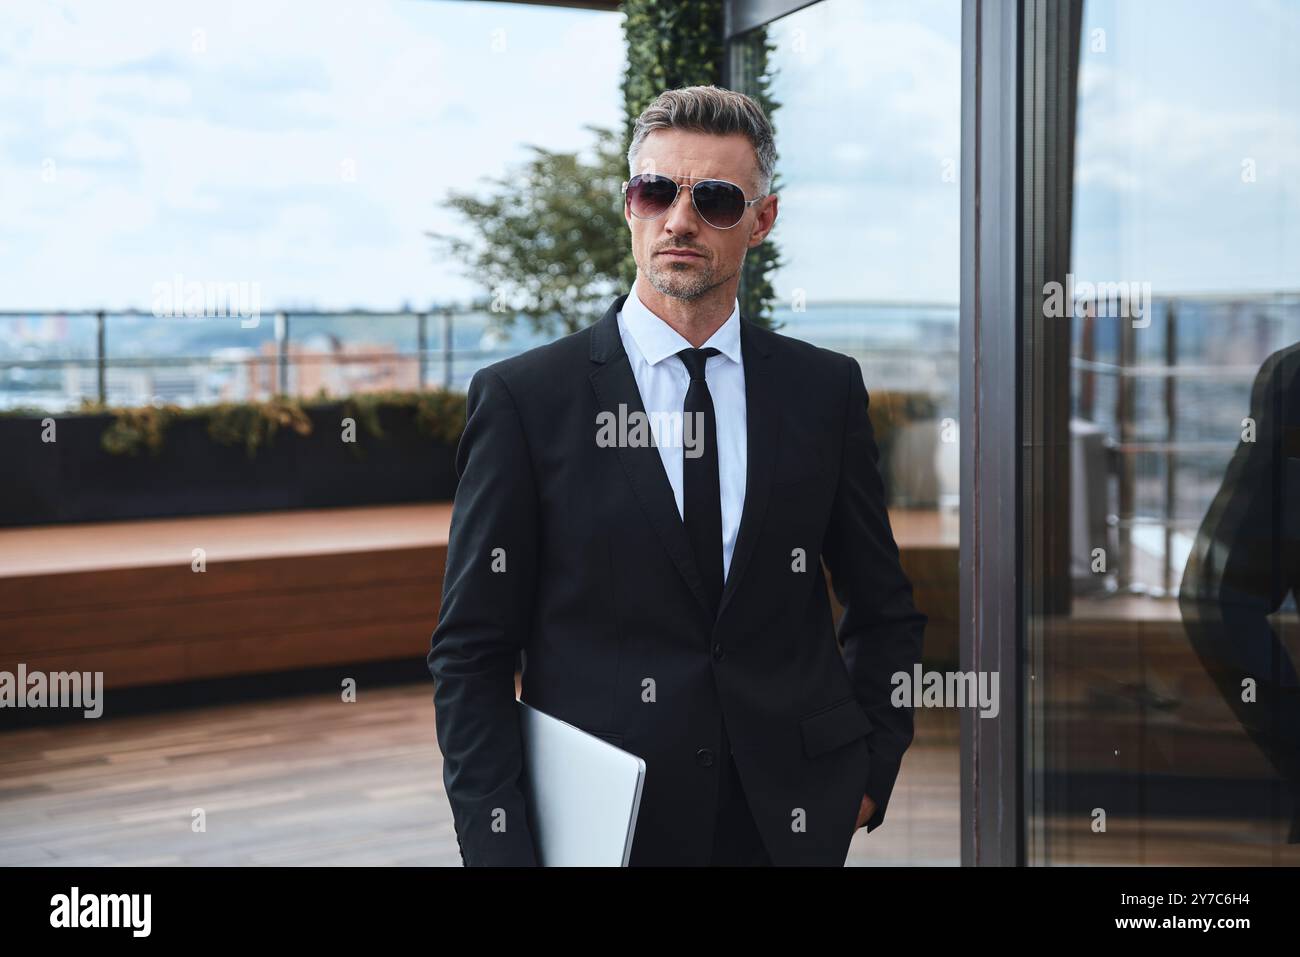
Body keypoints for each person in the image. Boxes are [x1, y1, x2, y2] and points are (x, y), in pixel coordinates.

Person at [427, 85, 926, 866]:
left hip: (787, 825)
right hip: (601, 830)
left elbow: (884, 606)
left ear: (762, 220)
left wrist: (867, 769)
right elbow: (471, 652)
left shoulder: (823, 392)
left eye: (718, 199)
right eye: (656, 190)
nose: (680, 220)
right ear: (629, 206)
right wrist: (500, 846)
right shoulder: (525, 401)